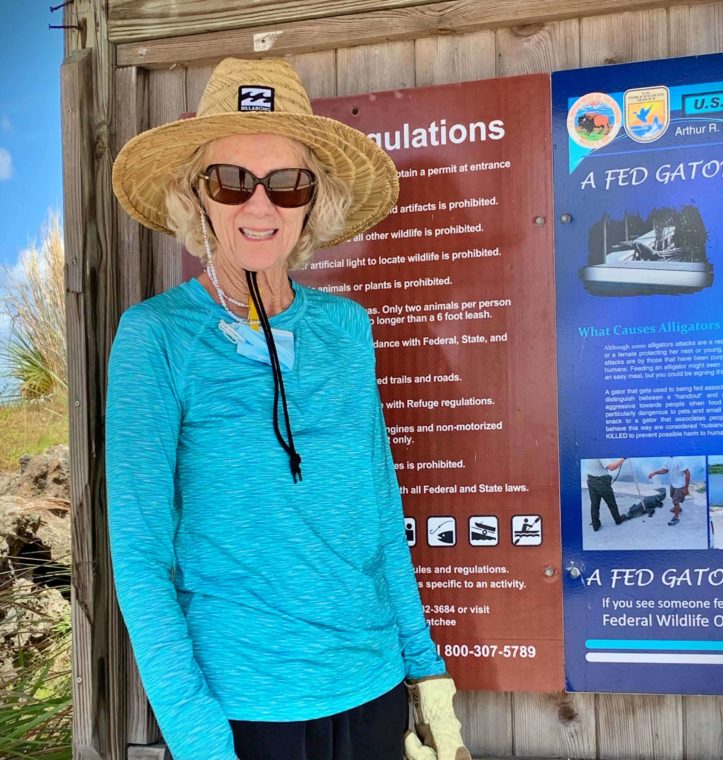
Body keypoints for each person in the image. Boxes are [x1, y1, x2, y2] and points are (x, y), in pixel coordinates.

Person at [107, 58, 470, 760]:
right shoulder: (156, 338)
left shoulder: (346, 329)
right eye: (231, 181)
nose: (259, 206)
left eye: (287, 183)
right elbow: (141, 557)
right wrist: (199, 738)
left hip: (373, 688)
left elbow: (378, 510)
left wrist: (427, 676)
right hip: (245, 710)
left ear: (314, 198)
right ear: (197, 194)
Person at [585, 458, 628, 531]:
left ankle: (595, 525)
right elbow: (611, 467)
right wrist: (622, 459)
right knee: (611, 503)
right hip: (601, 482)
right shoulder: (601, 453)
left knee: (594, 504)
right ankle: (618, 520)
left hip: (591, 480)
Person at [648, 457, 690, 526]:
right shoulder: (668, 458)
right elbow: (665, 470)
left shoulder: (680, 459)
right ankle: (678, 509)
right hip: (673, 483)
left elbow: (688, 474)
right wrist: (655, 472)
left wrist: (686, 488)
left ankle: (676, 518)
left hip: (679, 485)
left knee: (675, 502)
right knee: (672, 496)